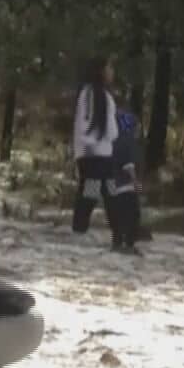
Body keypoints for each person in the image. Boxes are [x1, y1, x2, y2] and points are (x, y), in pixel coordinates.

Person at [71, 56, 119, 236]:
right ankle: (117, 229)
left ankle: (116, 228)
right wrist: (91, 145)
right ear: (100, 71)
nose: (112, 72)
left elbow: (111, 129)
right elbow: (85, 126)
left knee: (100, 191)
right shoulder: (90, 94)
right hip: (93, 156)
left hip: (101, 154)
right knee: (101, 191)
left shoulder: (103, 96)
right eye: (109, 68)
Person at [105, 98, 143, 255]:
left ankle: (116, 242)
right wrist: (136, 182)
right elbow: (128, 164)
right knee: (132, 215)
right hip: (125, 186)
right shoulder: (127, 140)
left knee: (115, 214)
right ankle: (128, 244)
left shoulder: (109, 138)